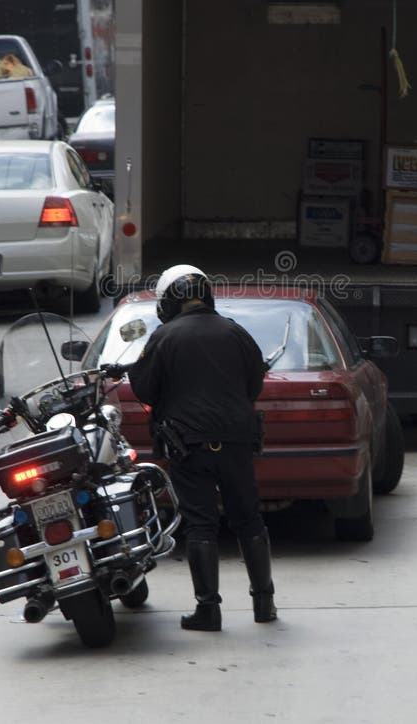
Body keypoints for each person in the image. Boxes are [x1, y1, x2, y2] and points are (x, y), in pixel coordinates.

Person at [126, 263, 277, 632]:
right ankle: (264, 604)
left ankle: (208, 610)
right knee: (249, 519)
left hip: (188, 446)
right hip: (238, 443)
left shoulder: (163, 338)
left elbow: (144, 389)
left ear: (169, 301)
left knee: (201, 525)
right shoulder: (236, 332)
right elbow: (254, 384)